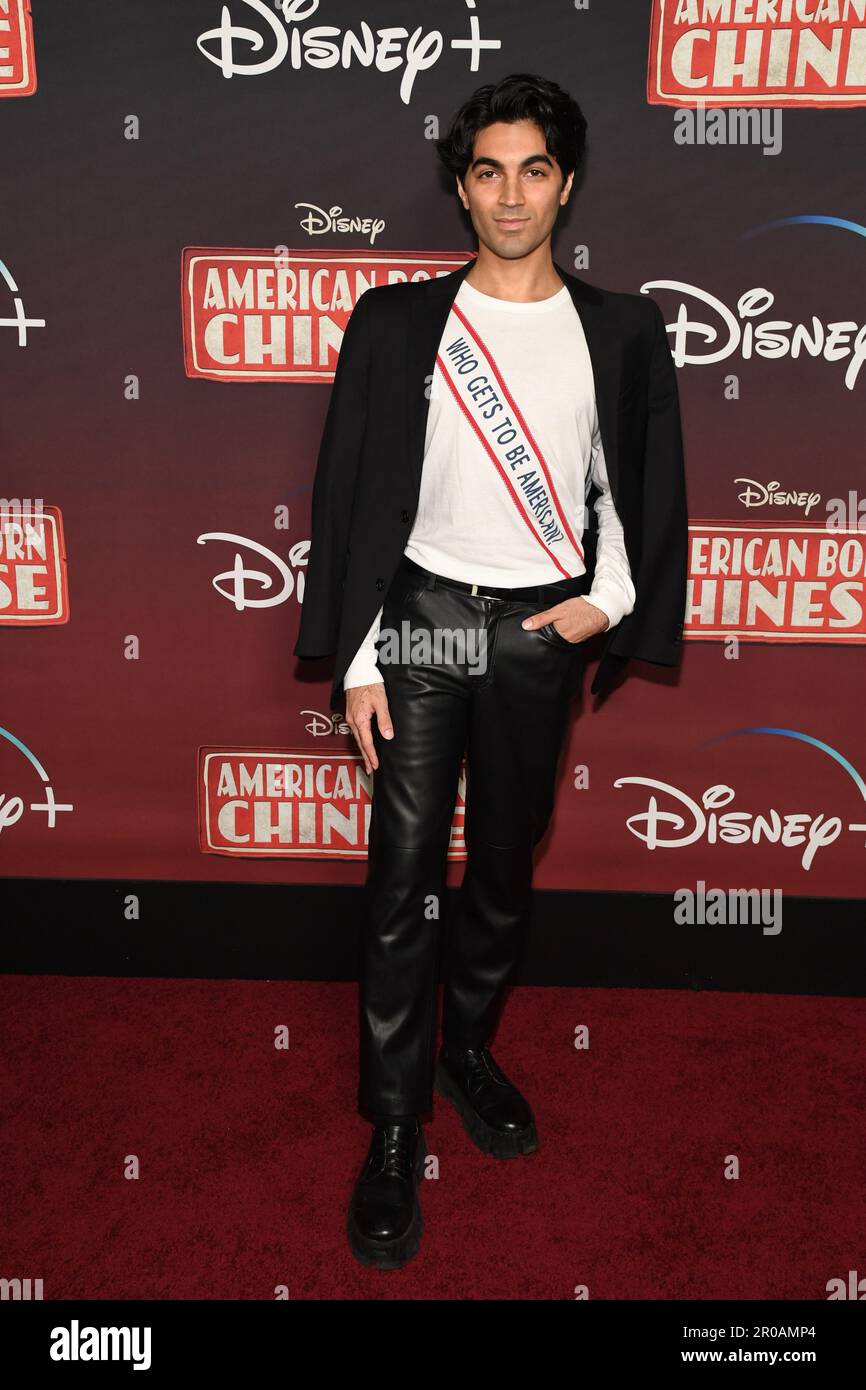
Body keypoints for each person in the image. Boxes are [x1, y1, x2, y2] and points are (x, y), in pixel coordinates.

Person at [293, 72, 688, 1269]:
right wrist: (360, 654)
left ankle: (466, 1047)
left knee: (505, 867)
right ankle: (397, 1123)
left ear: (563, 185)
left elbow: (636, 489)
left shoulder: (616, 328)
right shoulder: (397, 319)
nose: (508, 194)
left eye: (531, 169)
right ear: (458, 187)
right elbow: (352, 493)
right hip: (418, 621)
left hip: (530, 635)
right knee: (404, 873)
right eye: (485, 170)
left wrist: (602, 608)